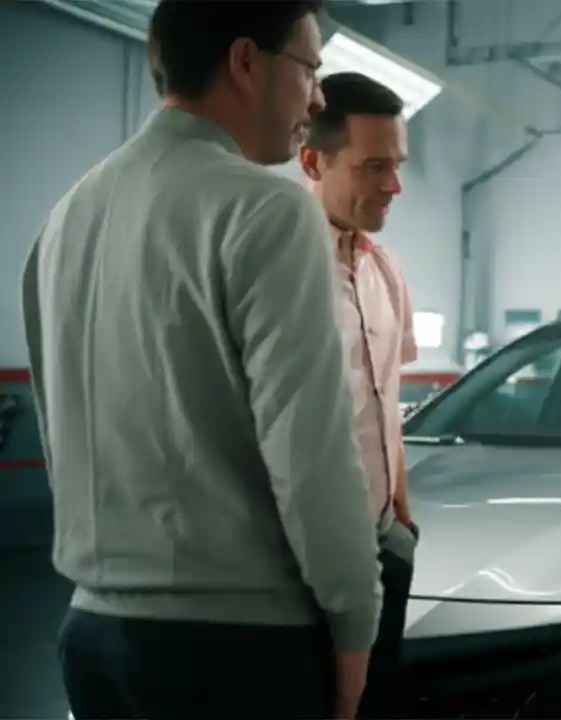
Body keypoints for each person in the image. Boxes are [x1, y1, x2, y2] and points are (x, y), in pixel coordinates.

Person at [20, 2, 383, 718]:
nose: (316, 98)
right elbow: (311, 454)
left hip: (90, 633)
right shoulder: (265, 210)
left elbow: (57, 427)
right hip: (236, 645)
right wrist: (356, 630)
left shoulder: (66, 215)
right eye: (310, 69)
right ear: (246, 62)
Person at [298, 71, 419, 718]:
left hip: (382, 541)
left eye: (397, 165)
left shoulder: (384, 269)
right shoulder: (280, 267)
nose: (394, 185)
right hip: (304, 558)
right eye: (375, 166)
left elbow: (386, 401)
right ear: (312, 160)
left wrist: (401, 517)